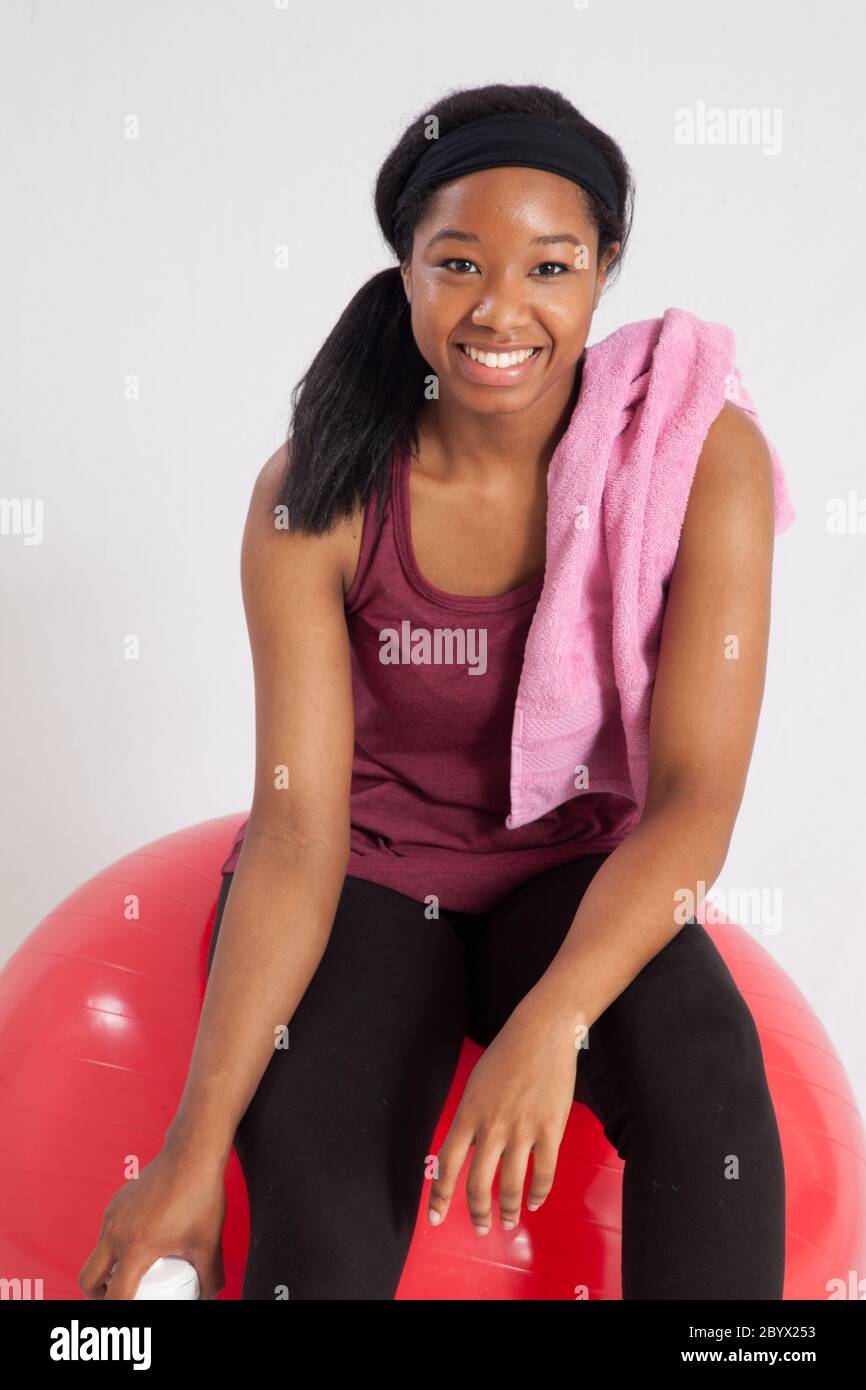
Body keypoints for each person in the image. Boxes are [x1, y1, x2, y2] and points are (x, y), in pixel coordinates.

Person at [78, 81, 786, 1301]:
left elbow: (693, 803)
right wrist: (188, 1156)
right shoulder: (318, 491)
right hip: (362, 875)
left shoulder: (689, 454)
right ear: (405, 267)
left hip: (572, 870)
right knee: (324, 1240)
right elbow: (297, 826)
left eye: (550, 267)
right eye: (456, 262)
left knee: (713, 1094)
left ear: (604, 269)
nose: (499, 309)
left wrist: (550, 1024)